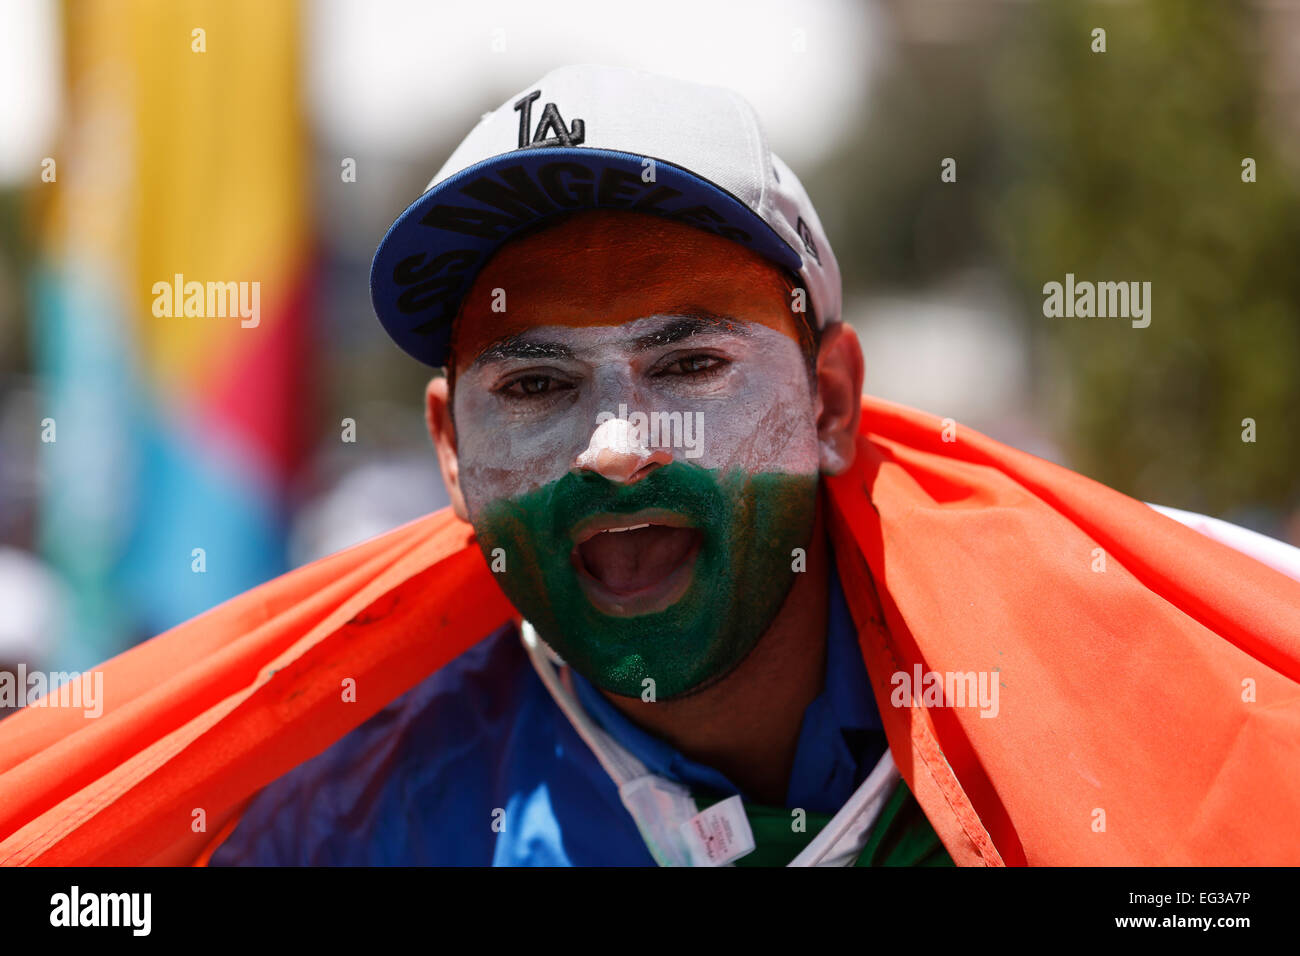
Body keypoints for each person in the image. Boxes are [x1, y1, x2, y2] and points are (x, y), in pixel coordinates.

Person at [3, 65, 1298, 867]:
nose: (618, 449)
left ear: (832, 401)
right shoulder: (332, 835)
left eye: (687, 366)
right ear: (451, 452)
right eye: (539, 385)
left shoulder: (1153, 703)